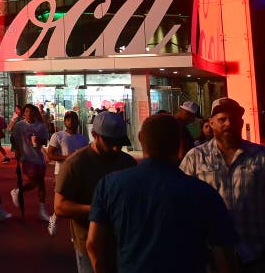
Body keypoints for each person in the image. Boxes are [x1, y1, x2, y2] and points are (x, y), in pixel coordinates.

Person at [87, 114, 237, 273]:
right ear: (179, 142)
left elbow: (93, 244)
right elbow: (223, 255)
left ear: (140, 138)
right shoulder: (204, 193)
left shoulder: (110, 185)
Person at [181, 97, 265, 271]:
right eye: (222, 119)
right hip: (210, 257)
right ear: (211, 123)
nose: (228, 124)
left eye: (234, 119)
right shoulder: (195, 158)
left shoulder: (260, 156)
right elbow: (181, 202)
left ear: (241, 122)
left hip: (255, 254)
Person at [54, 111, 136, 273]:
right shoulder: (76, 163)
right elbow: (60, 206)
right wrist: (97, 210)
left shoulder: (127, 162)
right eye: (110, 142)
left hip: (124, 243)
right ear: (94, 135)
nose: (116, 148)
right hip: (89, 244)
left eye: (119, 143)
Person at [46, 111, 88, 237]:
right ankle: (54, 218)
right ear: (64, 121)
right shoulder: (58, 136)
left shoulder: (82, 138)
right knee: (61, 201)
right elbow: (50, 155)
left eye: (73, 119)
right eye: (68, 119)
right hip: (62, 172)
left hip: (78, 173)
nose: (71, 122)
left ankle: (74, 232)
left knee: (74, 202)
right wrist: (68, 158)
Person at [9, 104, 50, 222]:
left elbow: (44, 141)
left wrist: (38, 141)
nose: (29, 114)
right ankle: (18, 191)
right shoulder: (20, 125)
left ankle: (42, 211)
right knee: (34, 182)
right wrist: (17, 149)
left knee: (41, 183)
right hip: (27, 158)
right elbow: (13, 138)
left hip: (39, 158)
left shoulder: (40, 126)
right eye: (27, 111)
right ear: (24, 113)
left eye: (31, 112)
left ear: (35, 113)